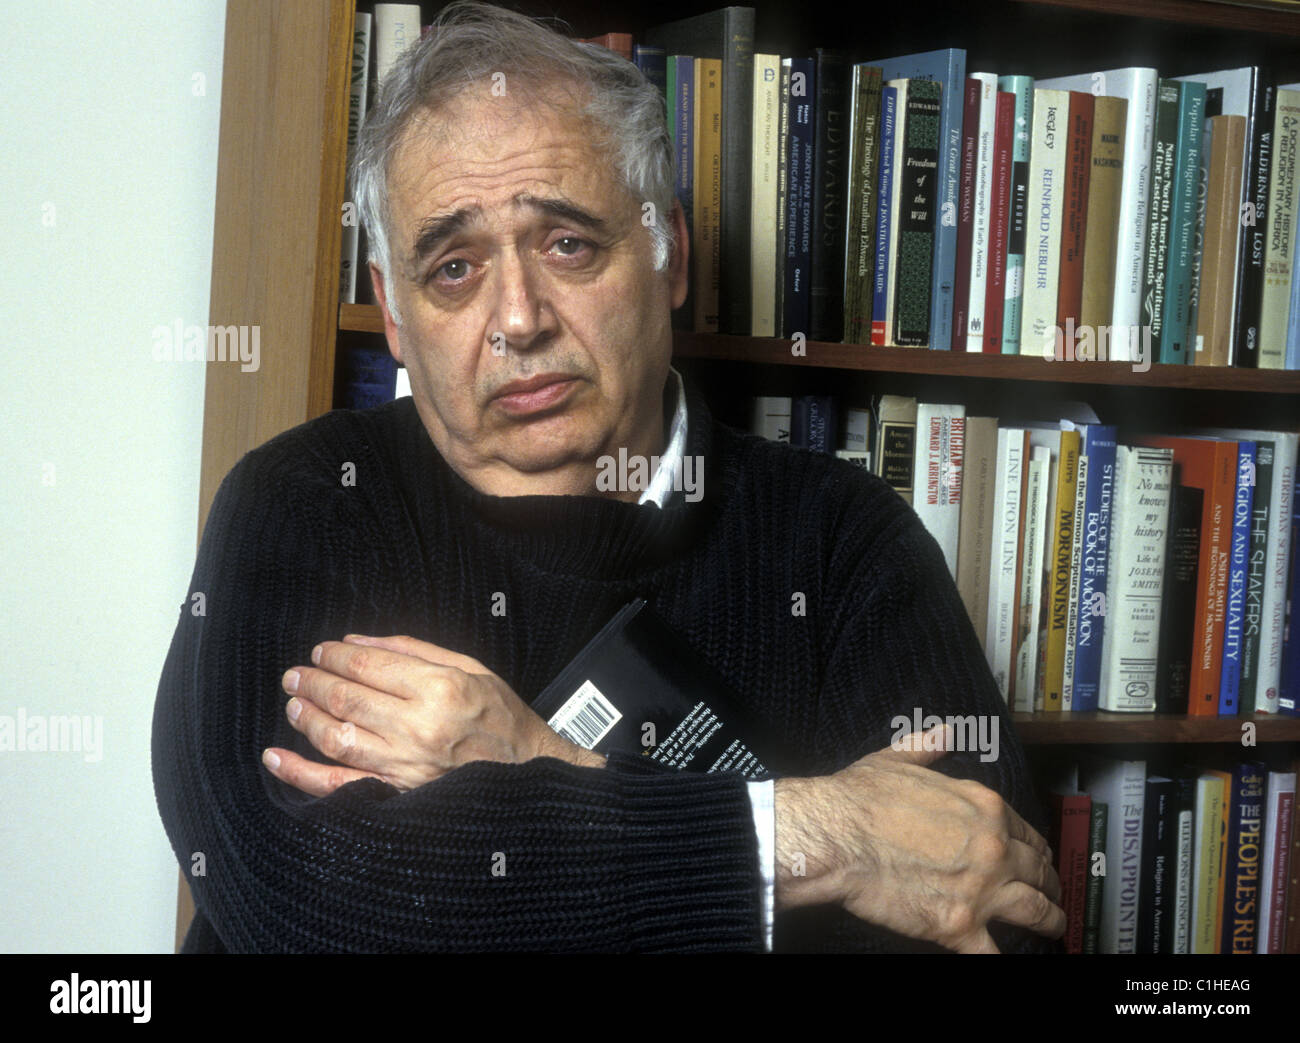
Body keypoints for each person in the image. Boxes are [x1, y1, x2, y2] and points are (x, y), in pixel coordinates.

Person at [152, 0, 1064, 953]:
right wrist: (809, 835)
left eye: (567, 244)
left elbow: (997, 913)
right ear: (391, 310)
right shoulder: (305, 502)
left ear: (667, 252)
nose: (517, 319)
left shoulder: (844, 539)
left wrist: (547, 769)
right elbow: (308, 906)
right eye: (454, 267)